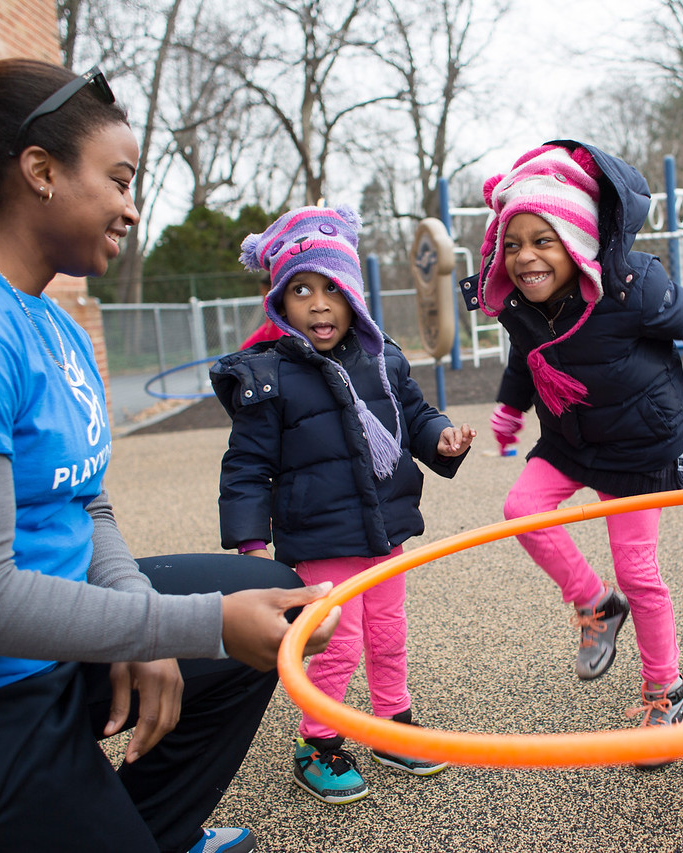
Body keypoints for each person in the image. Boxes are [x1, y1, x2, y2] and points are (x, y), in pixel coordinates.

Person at [0, 47, 339, 853]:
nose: (131, 209)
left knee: (269, 591)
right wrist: (187, 623)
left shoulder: (50, 322)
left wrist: (151, 631)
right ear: (40, 171)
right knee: (226, 620)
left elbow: (84, 498)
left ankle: (151, 831)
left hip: (45, 649)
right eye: (120, 180)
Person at [462, 140, 683, 757]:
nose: (524, 258)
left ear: (578, 239)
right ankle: (595, 603)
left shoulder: (632, 288)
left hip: (637, 448)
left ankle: (665, 694)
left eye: (543, 240)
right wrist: (512, 409)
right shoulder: (517, 305)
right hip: (569, 437)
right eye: (512, 245)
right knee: (522, 509)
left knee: (639, 571)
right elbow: (527, 355)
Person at [212, 204, 476, 805]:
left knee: (387, 633)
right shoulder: (269, 376)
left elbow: (411, 414)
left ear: (353, 295)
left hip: (383, 529)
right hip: (321, 535)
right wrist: (252, 547)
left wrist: (439, 437)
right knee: (337, 640)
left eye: (333, 288)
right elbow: (246, 466)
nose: (320, 304)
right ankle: (319, 742)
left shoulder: (383, 359)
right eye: (301, 289)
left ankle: (389, 724)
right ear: (280, 300)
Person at [239, 271, 286, 349]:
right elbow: (263, 333)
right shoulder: (271, 317)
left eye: (264, 293)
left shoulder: (280, 320)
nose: (263, 298)